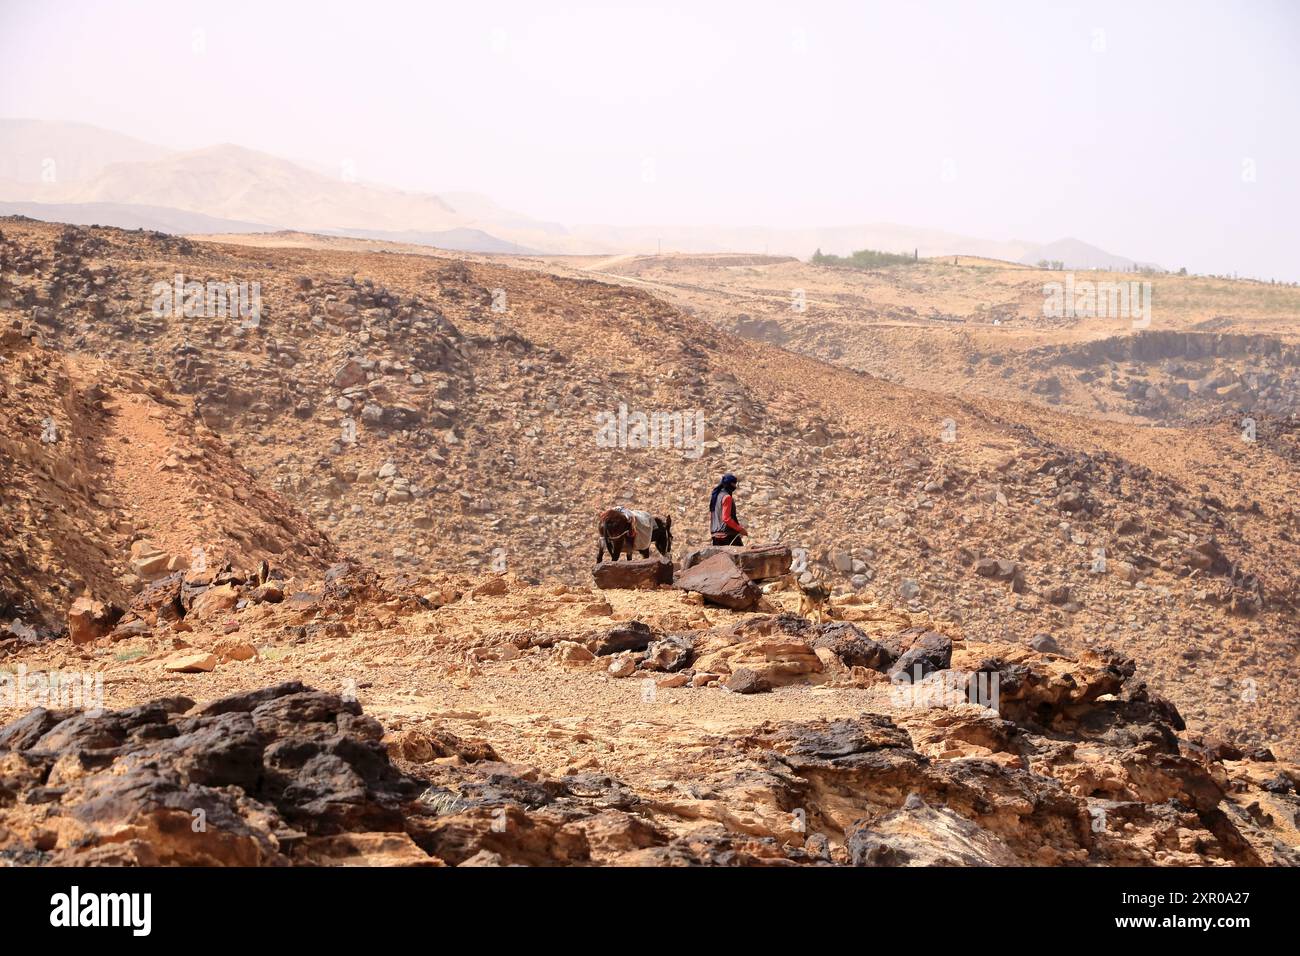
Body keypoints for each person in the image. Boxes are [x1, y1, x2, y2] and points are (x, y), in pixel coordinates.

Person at [709, 473, 748, 546]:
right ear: (730, 484)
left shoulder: (715, 498)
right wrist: (740, 529)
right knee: (741, 556)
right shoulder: (727, 497)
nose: (735, 486)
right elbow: (726, 518)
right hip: (727, 535)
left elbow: (712, 517)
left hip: (715, 536)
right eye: (734, 484)